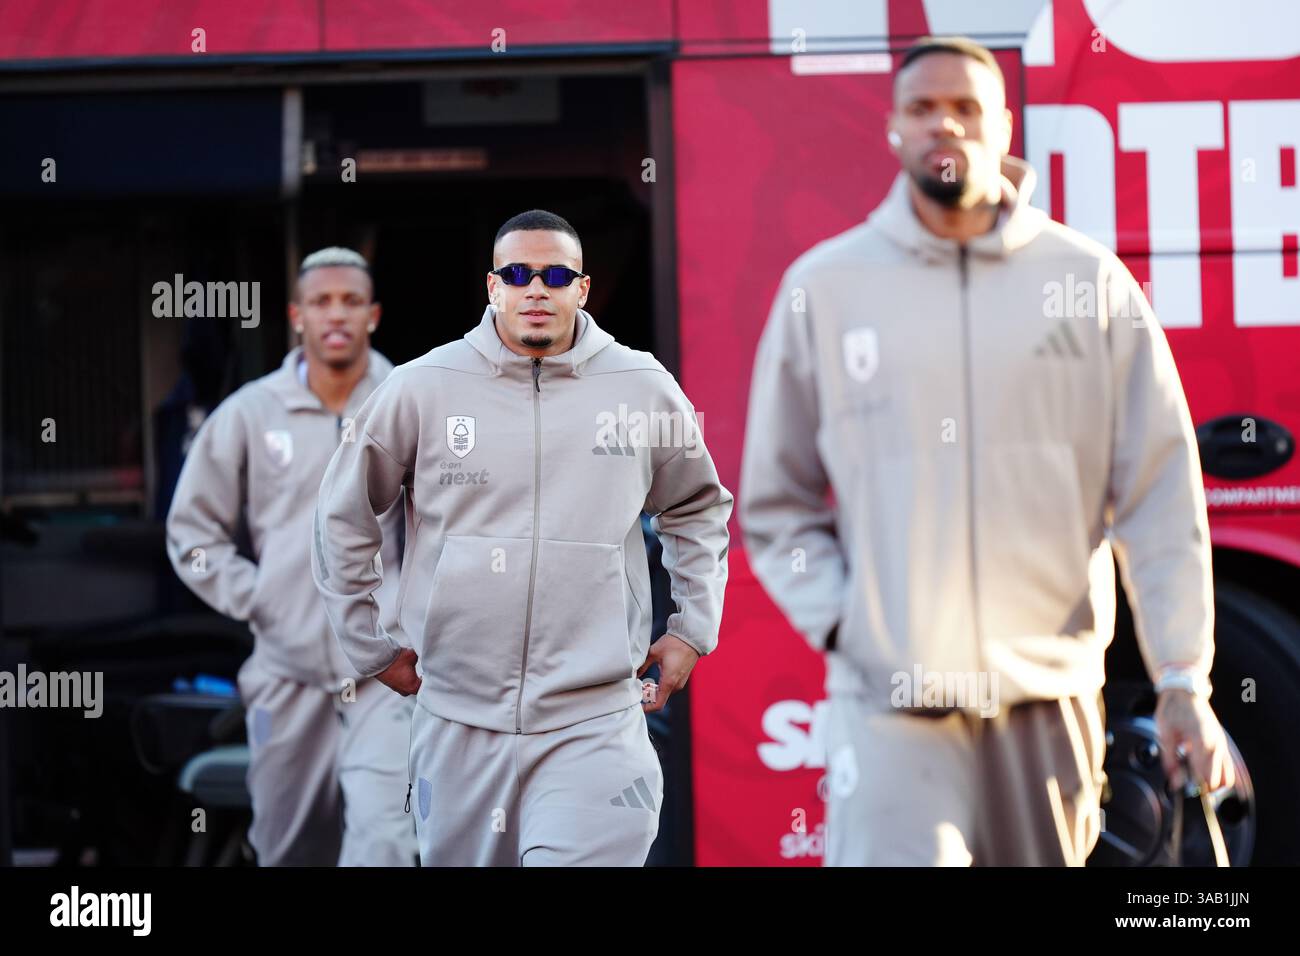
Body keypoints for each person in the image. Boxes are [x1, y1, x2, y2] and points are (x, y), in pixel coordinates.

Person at [739, 36, 1234, 866]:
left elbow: (1160, 496)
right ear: (893, 129)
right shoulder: (825, 288)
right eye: (924, 108)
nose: (946, 125)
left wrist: (1184, 678)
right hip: (892, 705)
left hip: (1048, 705)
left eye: (967, 108)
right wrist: (843, 624)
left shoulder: (1091, 285)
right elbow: (773, 505)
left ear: (1004, 127)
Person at [312, 210, 732, 866]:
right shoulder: (422, 385)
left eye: (556, 274)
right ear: (492, 287)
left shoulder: (642, 385)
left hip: (595, 721)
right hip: (456, 721)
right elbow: (343, 516)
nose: (537, 288)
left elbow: (697, 509)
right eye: (518, 273)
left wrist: (692, 627)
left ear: (583, 289)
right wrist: (368, 645)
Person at [167, 247, 415, 866]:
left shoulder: (411, 401)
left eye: (351, 301)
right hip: (286, 674)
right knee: (288, 851)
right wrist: (260, 598)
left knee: (385, 840)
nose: (337, 315)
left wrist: (422, 614)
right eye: (321, 302)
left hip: (389, 675)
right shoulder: (249, 413)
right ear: (296, 316)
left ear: (374, 314)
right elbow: (192, 534)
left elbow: (459, 527)